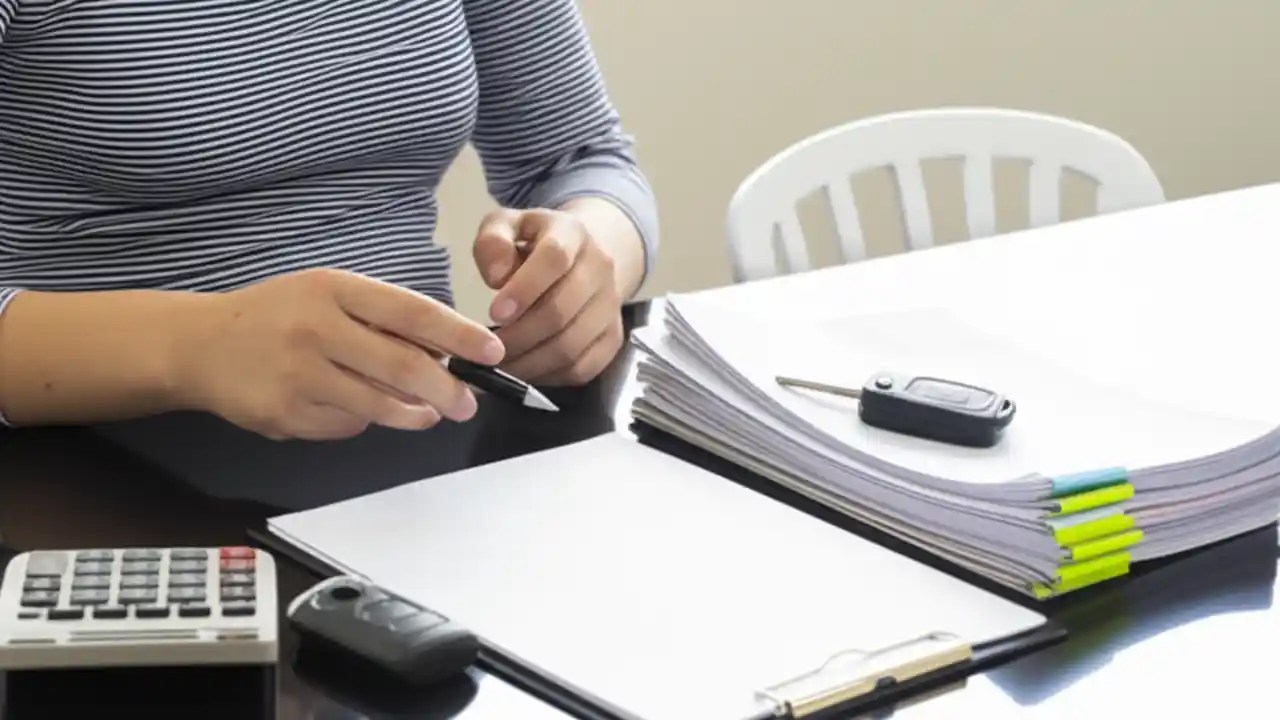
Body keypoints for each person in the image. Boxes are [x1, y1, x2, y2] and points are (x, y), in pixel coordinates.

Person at [0, 0, 658, 441]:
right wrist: (196, 346)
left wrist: (588, 259)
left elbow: (582, 157)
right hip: (95, 470)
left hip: (425, 449)